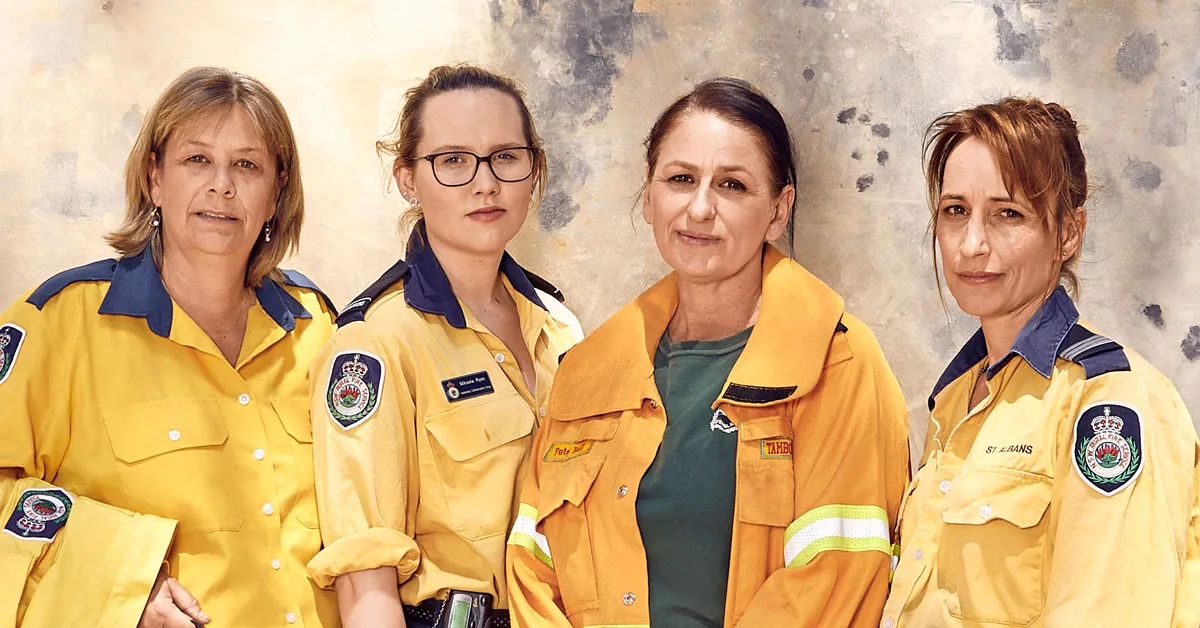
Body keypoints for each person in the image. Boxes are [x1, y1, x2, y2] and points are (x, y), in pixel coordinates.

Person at [506, 77, 910, 628]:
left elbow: (839, 582)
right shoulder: (588, 374)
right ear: (649, 196)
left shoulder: (836, 364)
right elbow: (532, 569)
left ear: (778, 210)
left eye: (733, 185)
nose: (699, 208)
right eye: (680, 179)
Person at [0, 66, 338, 627]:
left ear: (278, 191)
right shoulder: (57, 324)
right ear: (155, 177)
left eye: (247, 165)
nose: (222, 186)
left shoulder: (317, 327)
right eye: (197, 160)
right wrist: (120, 582)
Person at [881, 98, 1200, 627]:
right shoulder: (957, 399)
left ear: (1069, 233)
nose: (972, 244)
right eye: (955, 211)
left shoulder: (1105, 402)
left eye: (1009, 214)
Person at [307, 64, 583, 628]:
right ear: (407, 178)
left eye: (506, 156)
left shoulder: (559, 327)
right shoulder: (375, 344)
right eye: (452, 160)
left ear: (535, 170)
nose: (486, 184)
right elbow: (366, 572)